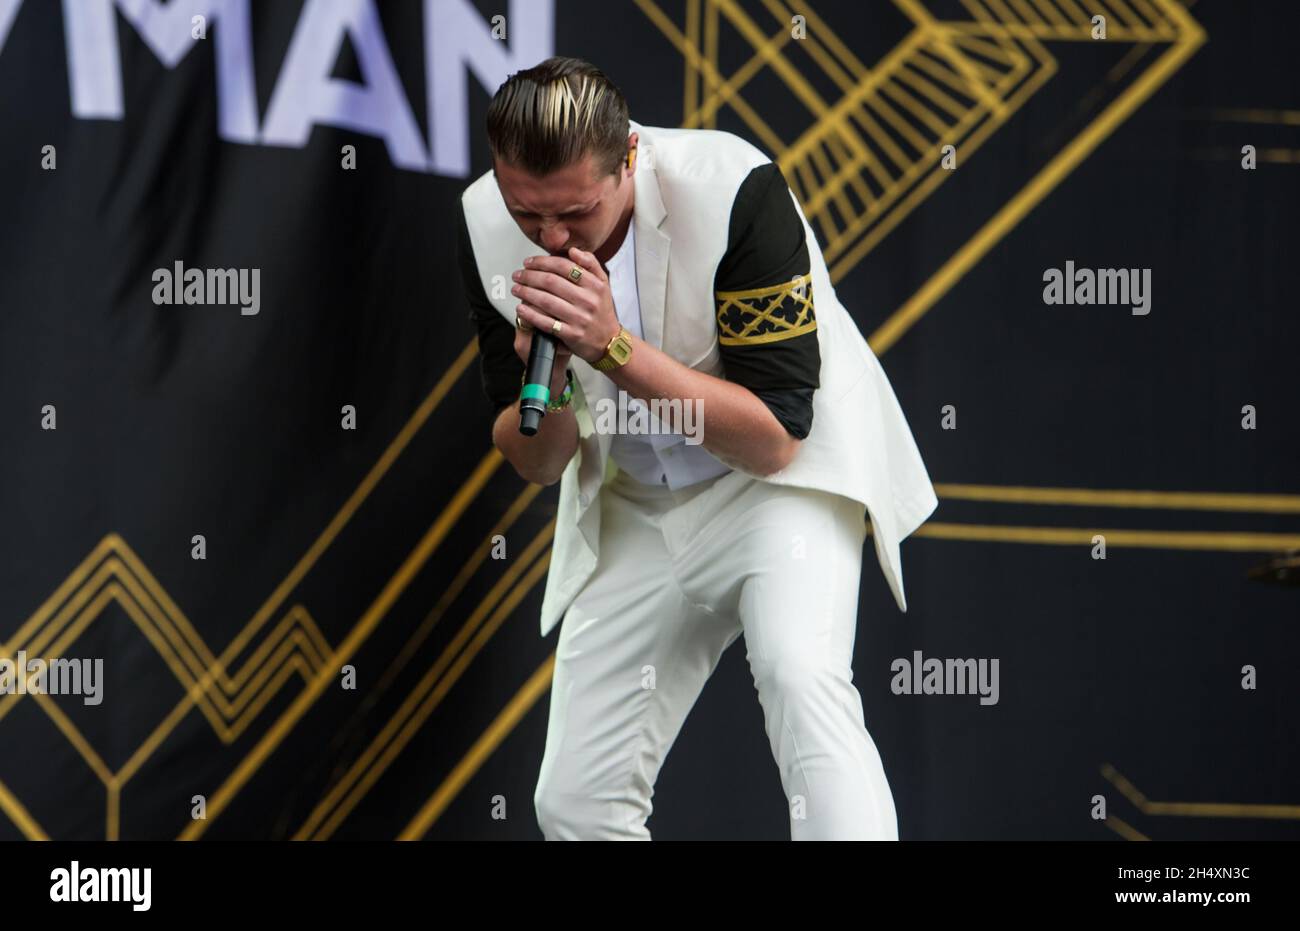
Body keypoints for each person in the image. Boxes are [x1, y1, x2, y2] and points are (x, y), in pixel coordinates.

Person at [456, 56, 937, 840]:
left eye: (576, 212)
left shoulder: (730, 187)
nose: (548, 236)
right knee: (575, 799)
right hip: (638, 502)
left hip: (777, 490)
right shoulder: (483, 222)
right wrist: (558, 378)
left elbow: (777, 439)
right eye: (526, 212)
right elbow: (539, 459)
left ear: (630, 160)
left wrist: (611, 347)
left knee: (799, 672)